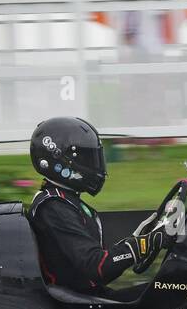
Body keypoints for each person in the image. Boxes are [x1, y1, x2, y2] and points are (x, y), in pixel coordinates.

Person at [27, 116, 171, 293]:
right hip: (79, 306)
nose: (94, 166)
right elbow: (98, 268)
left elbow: (100, 264)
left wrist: (136, 238)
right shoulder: (54, 207)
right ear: (58, 161)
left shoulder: (63, 200)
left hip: (87, 296)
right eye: (85, 158)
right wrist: (143, 245)